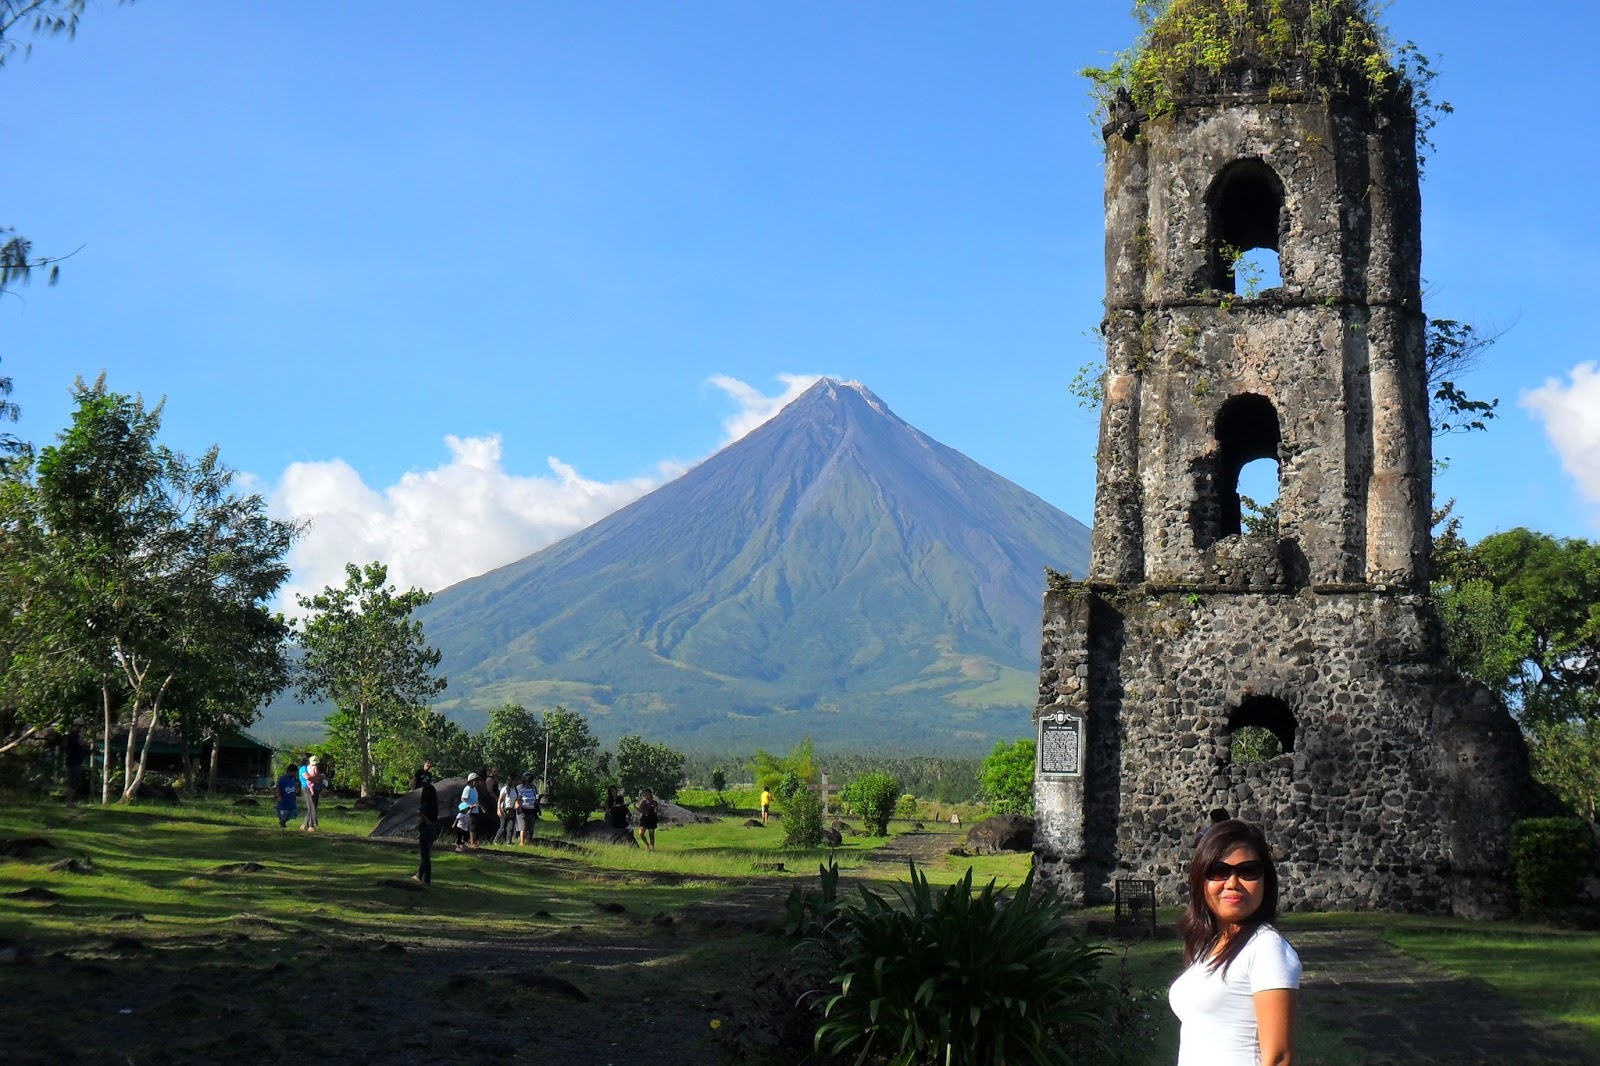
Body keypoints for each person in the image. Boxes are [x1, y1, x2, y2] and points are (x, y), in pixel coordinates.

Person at [1169, 820, 1300, 1066]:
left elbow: (1279, 1058)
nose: (1232, 883)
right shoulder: (1212, 944)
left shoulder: (1266, 947)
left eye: (1247, 871)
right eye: (1218, 871)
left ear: (1265, 882)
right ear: (1201, 880)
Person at [413, 767, 439, 884]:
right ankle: (419, 875)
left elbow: (422, 811)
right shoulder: (435, 802)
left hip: (426, 826)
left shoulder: (426, 799)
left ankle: (427, 878)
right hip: (434, 826)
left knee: (425, 854)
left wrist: (421, 817)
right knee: (426, 852)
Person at [62, 720, 90, 805]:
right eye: (82, 727)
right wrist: (82, 734)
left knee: (74, 782)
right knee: (73, 783)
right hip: (73, 762)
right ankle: (69, 801)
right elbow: (80, 743)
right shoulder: (73, 735)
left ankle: (69, 800)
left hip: (76, 762)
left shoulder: (76, 736)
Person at [299, 755, 324, 832]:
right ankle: (311, 825)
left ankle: (304, 825)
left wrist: (317, 777)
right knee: (311, 806)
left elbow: (319, 776)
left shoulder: (312, 767)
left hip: (314, 788)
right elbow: (308, 777)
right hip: (307, 788)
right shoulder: (303, 768)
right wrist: (317, 777)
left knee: (313, 806)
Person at [514, 772, 540, 845]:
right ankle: (522, 842)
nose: (528, 783)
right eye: (527, 781)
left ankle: (528, 841)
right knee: (523, 826)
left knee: (530, 827)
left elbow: (536, 797)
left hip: (531, 809)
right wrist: (518, 804)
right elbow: (517, 798)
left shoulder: (533, 787)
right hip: (522, 809)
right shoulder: (519, 788)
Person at [459, 772, 483, 848]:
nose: (477, 782)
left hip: (475, 810)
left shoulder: (474, 789)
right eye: (475, 781)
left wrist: (481, 807)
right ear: (471, 781)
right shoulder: (467, 789)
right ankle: (472, 843)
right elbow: (463, 799)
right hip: (470, 811)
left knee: (474, 826)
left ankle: (472, 841)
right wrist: (469, 805)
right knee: (472, 826)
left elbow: (476, 799)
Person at [494, 775, 520, 845]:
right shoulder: (505, 789)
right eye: (514, 780)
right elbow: (500, 799)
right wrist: (499, 809)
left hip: (512, 810)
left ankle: (508, 841)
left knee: (510, 828)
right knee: (502, 827)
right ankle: (496, 840)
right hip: (504, 809)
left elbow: (516, 799)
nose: (516, 782)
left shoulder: (515, 790)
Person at [275, 762, 299, 828]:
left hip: (291, 800)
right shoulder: (282, 779)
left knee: (294, 813)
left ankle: (283, 822)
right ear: (291, 771)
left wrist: (294, 797)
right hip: (284, 800)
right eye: (294, 772)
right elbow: (278, 788)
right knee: (284, 813)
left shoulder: (292, 779)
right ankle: (282, 824)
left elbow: (293, 789)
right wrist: (279, 797)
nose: (295, 774)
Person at [636, 788, 660, 852]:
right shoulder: (643, 802)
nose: (646, 796)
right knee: (641, 833)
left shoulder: (654, 802)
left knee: (651, 834)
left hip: (652, 818)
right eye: (645, 794)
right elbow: (640, 810)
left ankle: (652, 847)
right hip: (644, 818)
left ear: (650, 794)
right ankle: (647, 844)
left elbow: (656, 811)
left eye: (647, 794)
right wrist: (636, 808)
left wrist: (655, 808)